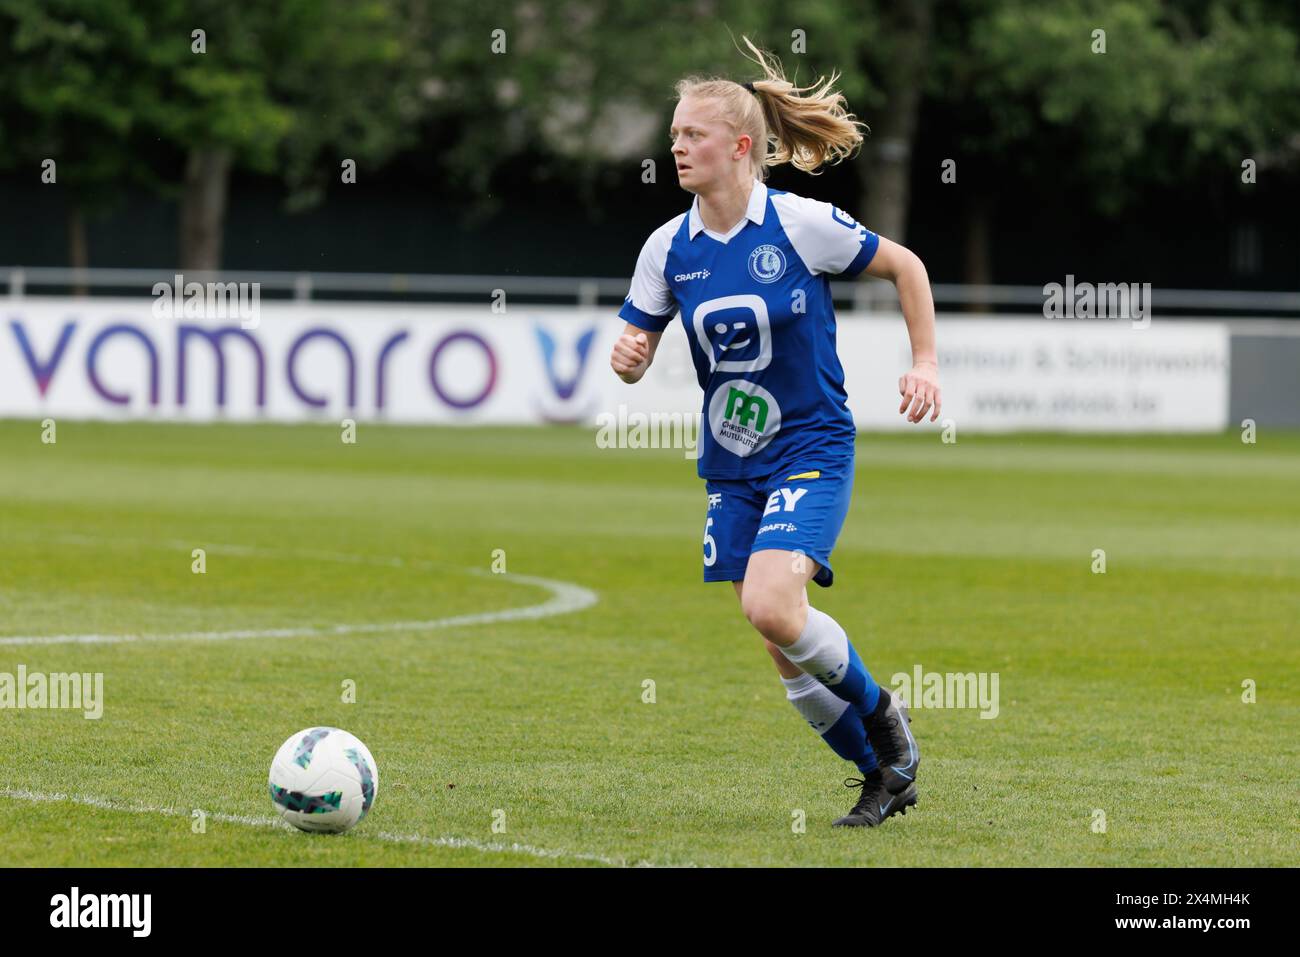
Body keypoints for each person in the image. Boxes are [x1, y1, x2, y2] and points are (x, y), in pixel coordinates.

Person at [610, 39, 940, 827]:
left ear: (741, 146)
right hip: (732, 464)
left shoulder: (798, 224)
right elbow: (633, 353)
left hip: (812, 448)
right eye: (675, 134)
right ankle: (881, 774)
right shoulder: (667, 248)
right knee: (778, 642)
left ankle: (887, 717)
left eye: (692, 134)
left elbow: (908, 266)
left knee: (770, 605)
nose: (677, 146)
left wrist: (923, 361)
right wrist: (627, 357)